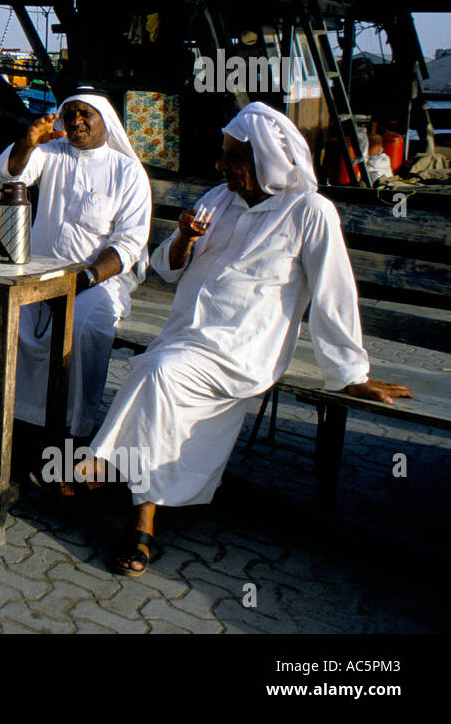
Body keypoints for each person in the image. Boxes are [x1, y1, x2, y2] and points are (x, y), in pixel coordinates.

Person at [84, 102, 413, 576]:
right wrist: (183, 240)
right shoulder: (220, 199)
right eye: (223, 156)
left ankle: (108, 481)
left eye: (234, 158)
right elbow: (164, 268)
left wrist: (350, 375)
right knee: (157, 376)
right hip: (190, 335)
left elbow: (333, 292)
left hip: (247, 347)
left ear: (268, 162)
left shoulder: (309, 212)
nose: (221, 167)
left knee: (155, 372)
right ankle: (135, 514)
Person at [0, 89, 152, 476]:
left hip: (97, 280)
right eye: (71, 114)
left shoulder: (126, 171)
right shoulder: (53, 152)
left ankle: (72, 435)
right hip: (39, 272)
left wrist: (88, 277)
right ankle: (2, 416)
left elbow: (130, 241)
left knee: (81, 330)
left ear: (104, 121)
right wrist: (28, 141)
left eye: (86, 115)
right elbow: (8, 173)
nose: (77, 122)